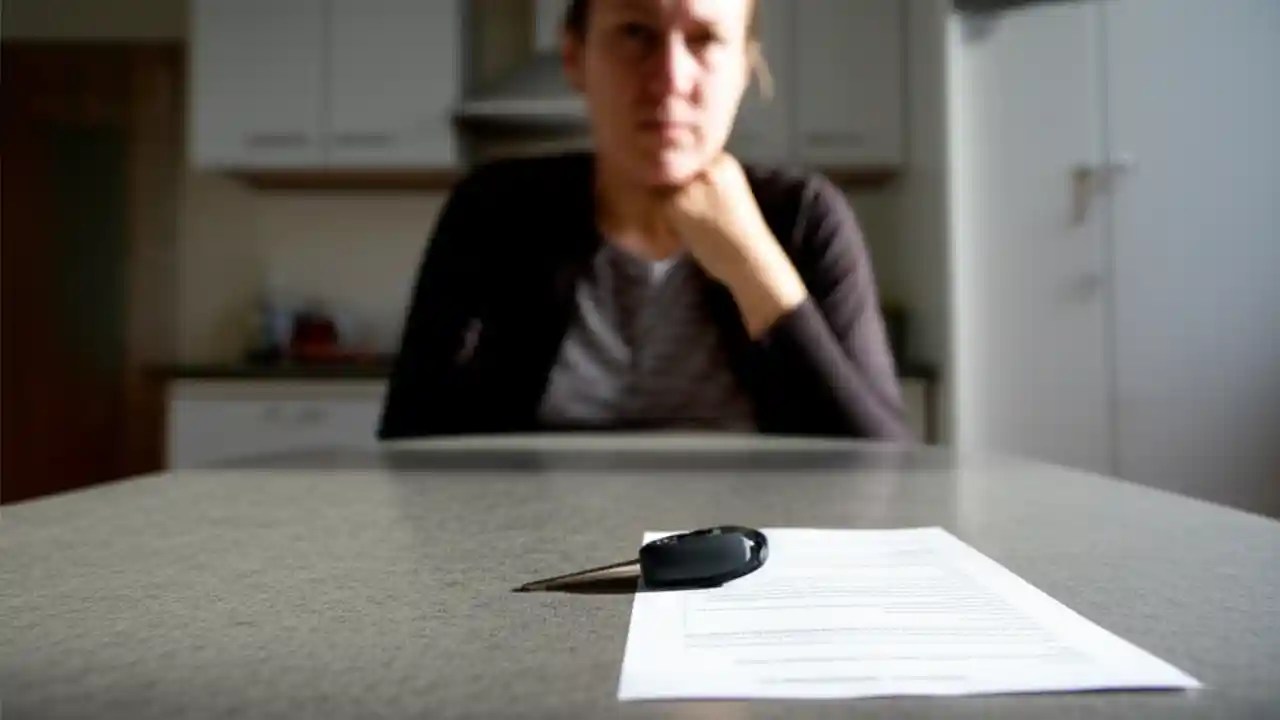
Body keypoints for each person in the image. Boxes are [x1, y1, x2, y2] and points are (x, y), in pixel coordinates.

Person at [378, 0, 910, 440]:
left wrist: (754, 264)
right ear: (574, 56)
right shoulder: (494, 209)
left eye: (704, 39)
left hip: (748, 549)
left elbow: (885, 464)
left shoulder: (805, 216)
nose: (670, 79)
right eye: (635, 33)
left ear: (745, 68)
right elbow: (407, 443)